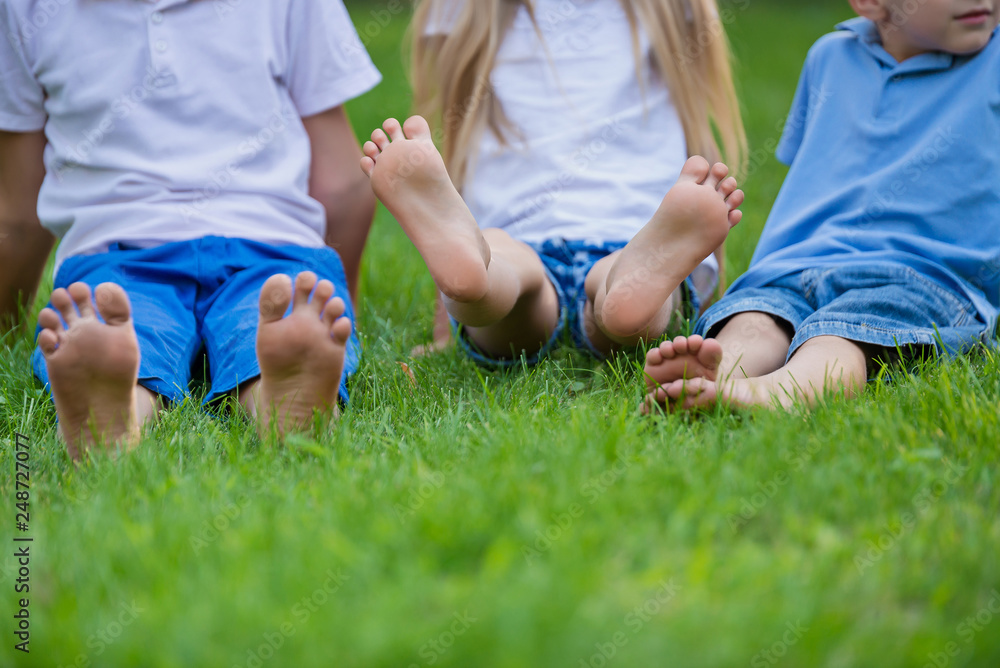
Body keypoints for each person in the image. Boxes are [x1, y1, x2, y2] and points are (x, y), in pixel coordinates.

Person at [0, 0, 381, 458]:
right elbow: (342, 185)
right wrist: (341, 308)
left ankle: (121, 408)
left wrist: (6, 326)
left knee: (114, 323)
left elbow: (17, 214)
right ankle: (280, 399)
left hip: (120, 256)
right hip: (270, 247)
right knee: (274, 322)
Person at [643, 0, 1000, 411]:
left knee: (842, 333)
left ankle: (771, 394)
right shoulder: (829, 58)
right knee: (757, 317)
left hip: (919, 277)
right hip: (795, 267)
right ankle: (719, 373)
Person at [360, 0, 746, 366]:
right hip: (637, 234)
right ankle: (627, 292)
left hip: (517, 234)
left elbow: (461, 138)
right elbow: (696, 129)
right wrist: (712, 303)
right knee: (631, 289)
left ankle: (478, 280)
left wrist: (443, 332)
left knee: (500, 272)